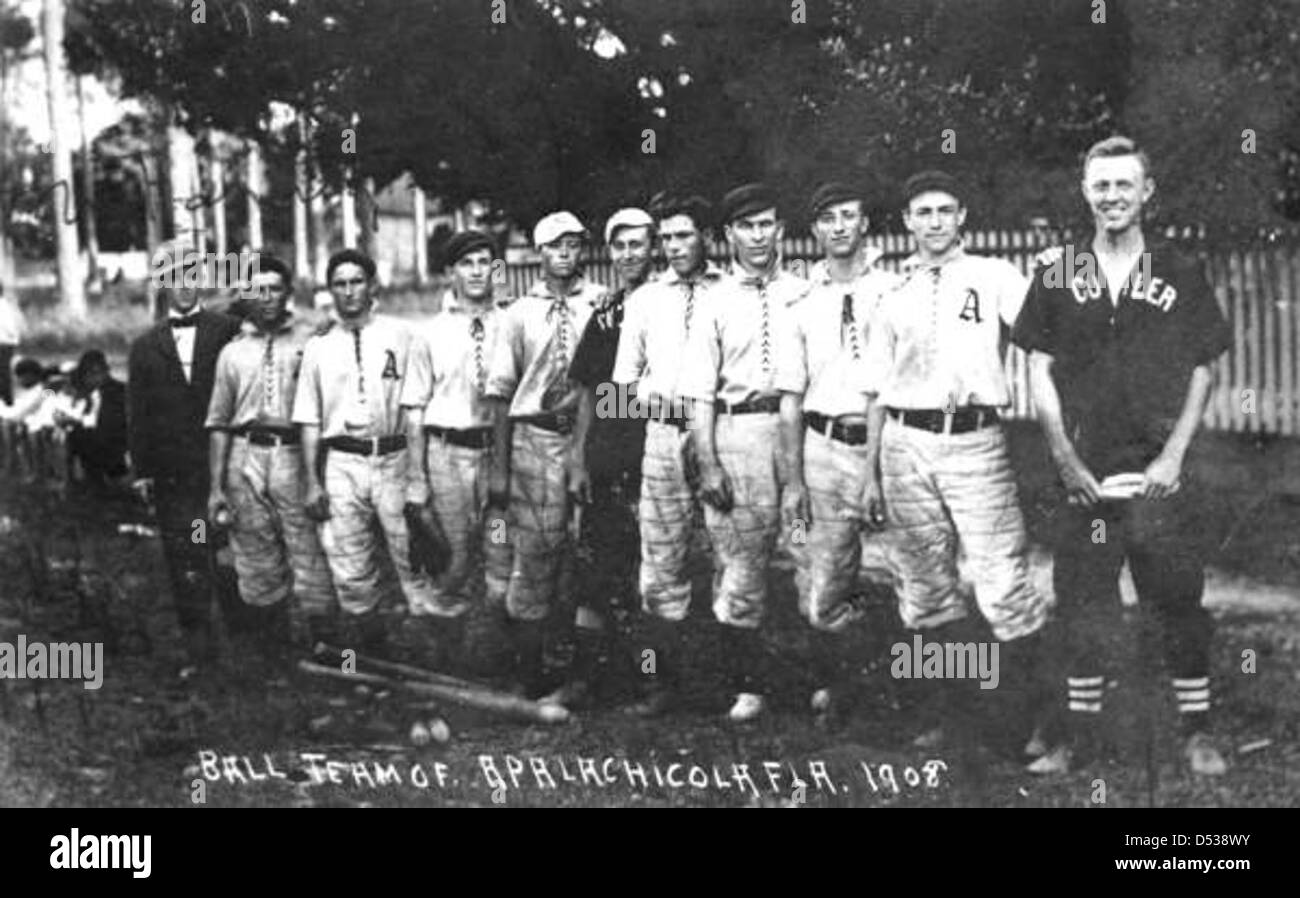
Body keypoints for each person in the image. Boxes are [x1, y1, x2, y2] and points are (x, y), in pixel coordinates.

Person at [1012, 136, 1231, 776]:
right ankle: (1076, 737)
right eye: (1100, 185)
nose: (1112, 196)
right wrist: (1063, 456)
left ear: (1146, 192)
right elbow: (1038, 367)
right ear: (1086, 193)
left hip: (1158, 474)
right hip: (1087, 474)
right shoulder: (1060, 271)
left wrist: (1173, 457)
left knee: (1178, 602)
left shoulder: (1179, 271)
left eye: (1123, 185)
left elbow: (1203, 372)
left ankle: (1197, 732)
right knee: (1082, 602)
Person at [862, 169, 1050, 753]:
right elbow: (876, 390)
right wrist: (870, 471)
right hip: (904, 442)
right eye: (924, 212)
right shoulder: (890, 292)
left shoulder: (993, 275)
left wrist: (1055, 276)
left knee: (1001, 584)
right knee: (924, 588)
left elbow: (1044, 335)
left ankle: (1037, 722)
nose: (936, 221)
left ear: (962, 215)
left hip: (974, 440)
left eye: (946, 210)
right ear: (907, 222)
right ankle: (953, 717)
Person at [680, 182, 809, 722]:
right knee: (741, 562)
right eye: (747, 226)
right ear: (728, 235)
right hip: (739, 434)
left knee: (811, 554)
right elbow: (698, 392)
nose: (759, 236)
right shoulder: (712, 302)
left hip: (799, 432)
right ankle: (749, 687)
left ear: (780, 228)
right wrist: (708, 461)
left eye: (767, 224)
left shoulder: (805, 292)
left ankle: (825, 684)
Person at [778, 181, 897, 717]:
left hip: (889, 442)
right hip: (823, 445)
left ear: (864, 222)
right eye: (828, 218)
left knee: (904, 573)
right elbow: (790, 398)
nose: (840, 226)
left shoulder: (896, 289)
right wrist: (795, 480)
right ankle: (844, 688)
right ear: (815, 230)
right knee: (824, 578)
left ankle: (912, 695)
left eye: (850, 215)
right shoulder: (801, 299)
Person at [610, 194, 726, 715]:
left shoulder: (732, 292)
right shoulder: (645, 301)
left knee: (732, 553)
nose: (677, 246)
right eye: (669, 237)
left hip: (724, 433)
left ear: (706, 236)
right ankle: (662, 685)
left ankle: (736, 683)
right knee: (661, 559)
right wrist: (654, 403)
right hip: (663, 433)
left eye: (686, 235)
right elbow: (621, 383)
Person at [484, 211, 605, 703]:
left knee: (589, 551)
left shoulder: (601, 302)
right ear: (538, 252)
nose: (565, 254)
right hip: (533, 438)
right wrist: (500, 469)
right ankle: (528, 669)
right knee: (535, 552)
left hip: (586, 434)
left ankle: (586, 672)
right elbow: (500, 394)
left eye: (574, 244)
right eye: (555, 245)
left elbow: (605, 382)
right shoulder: (517, 314)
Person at [294, 248, 437, 653]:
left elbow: (415, 412)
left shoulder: (402, 335)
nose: (349, 291)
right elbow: (309, 420)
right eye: (340, 284)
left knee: (413, 556)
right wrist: (311, 482)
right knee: (351, 563)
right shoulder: (318, 347)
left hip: (392, 455)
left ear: (372, 286)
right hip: (342, 461)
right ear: (330, 290)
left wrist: (417, 476)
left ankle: (434, 657)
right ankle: (373, 656)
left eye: (357, 281)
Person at [206, 254, 336, 654]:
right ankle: (274, 652)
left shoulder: (311, 340)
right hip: (245, 456)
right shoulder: (232, 352)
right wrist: (216, 487)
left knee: (308, 548)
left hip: (294, 452)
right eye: (258, 289)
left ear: (288, 294)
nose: (267, 298)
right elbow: (219, 422)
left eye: (275, 289)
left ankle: (327, 648)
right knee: (255, 550)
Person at [401, 231, 513, 670]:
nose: (477, 271)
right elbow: (413, 412)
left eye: (485, 261)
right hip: (448, 456)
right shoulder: (430, 334)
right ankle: (449, 664)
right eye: (467, 263)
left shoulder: (510, 324)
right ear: (450, 272)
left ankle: (501, 661)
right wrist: (417, 480)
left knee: (502, 554)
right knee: (455, 557)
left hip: (499, 459)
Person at [127, 269, 243, 668]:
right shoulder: (144, 346)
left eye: (191, 277)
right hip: (173, 473)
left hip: (223, 466)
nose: (183, 286)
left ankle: (246, 645)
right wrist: (142, 470)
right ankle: (200, 648)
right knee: (185, 554)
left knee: (228, 550)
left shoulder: (228, 330)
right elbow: (138, 413)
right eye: (173, 279)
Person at [564, 207, 656, 705]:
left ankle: (650, 678)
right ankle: (587, 677)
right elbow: (588, 391)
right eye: (619, 247)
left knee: (652, 569)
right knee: (598, 562)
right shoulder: (604, 313)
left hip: (655, 448)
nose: (628, 255)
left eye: (637, 245)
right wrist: (578, 457)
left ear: (653, 247)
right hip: (607, 451)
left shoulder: (672, 305)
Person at [65, 350, 129, 486]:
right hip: (102, 437)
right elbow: (51, 388)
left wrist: (77, 422)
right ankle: (73, 479)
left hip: (113, 443)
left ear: (99, 372)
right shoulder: (91, 390)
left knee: (73, 436)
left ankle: (84, 480)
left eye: (89, 375)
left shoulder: (116, 392)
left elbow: (107, 424)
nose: (86, 381)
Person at [0, 281, 23, 406]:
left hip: (4, 343)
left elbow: (9, 326)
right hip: (5, 342)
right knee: (3, 372)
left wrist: (13, 336)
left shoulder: (2, 306)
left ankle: (7, 400)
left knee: (3, 373)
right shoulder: (5, 305)